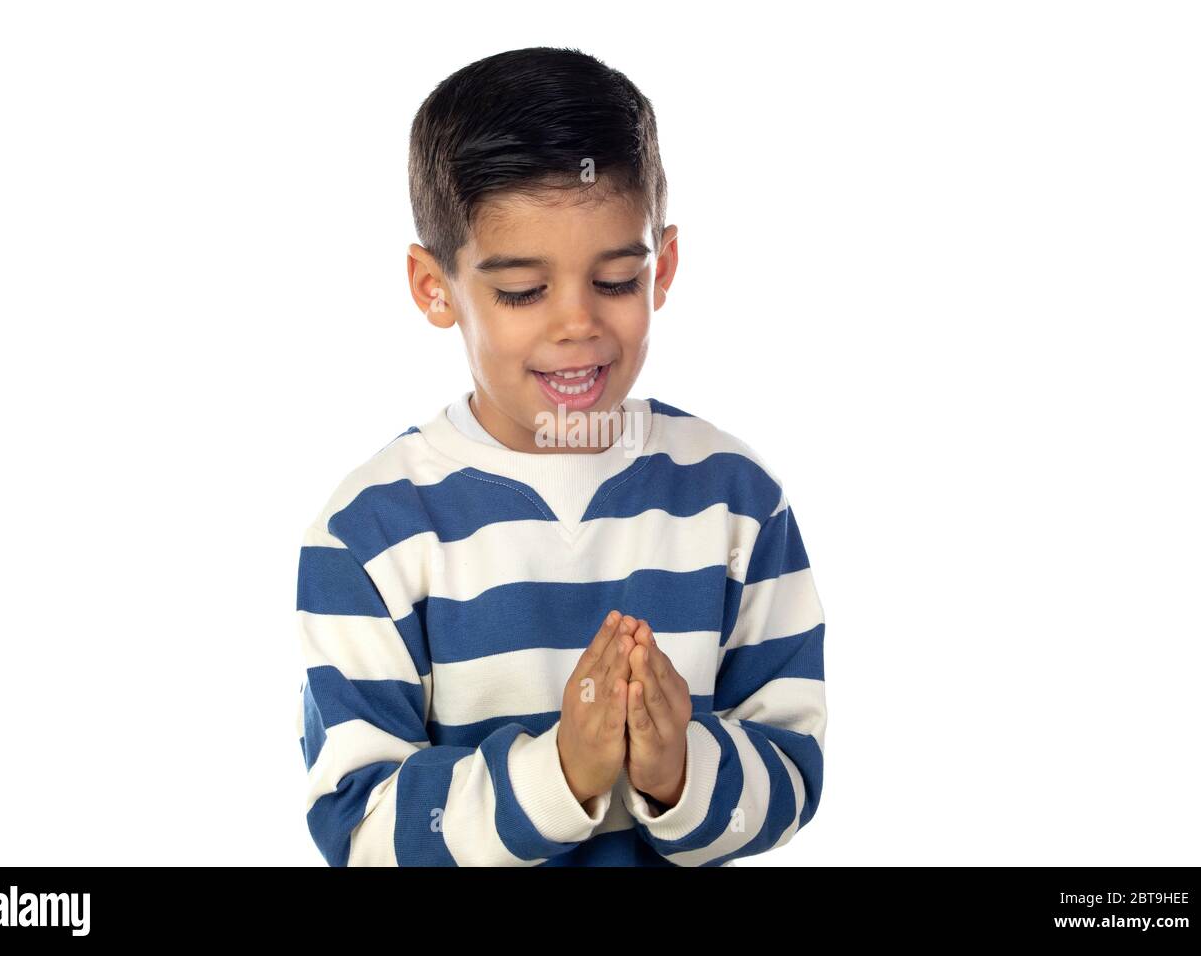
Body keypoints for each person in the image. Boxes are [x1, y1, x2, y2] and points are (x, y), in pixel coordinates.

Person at [294, 46, 826, 866]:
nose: (576, 325)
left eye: (615, 279)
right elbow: (359, 828)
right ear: (434, 287)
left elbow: (794, 771)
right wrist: (561, 775)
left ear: (664, 268)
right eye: (521, 291)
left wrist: (680, 768)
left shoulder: (736, 501)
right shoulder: (370, 532)